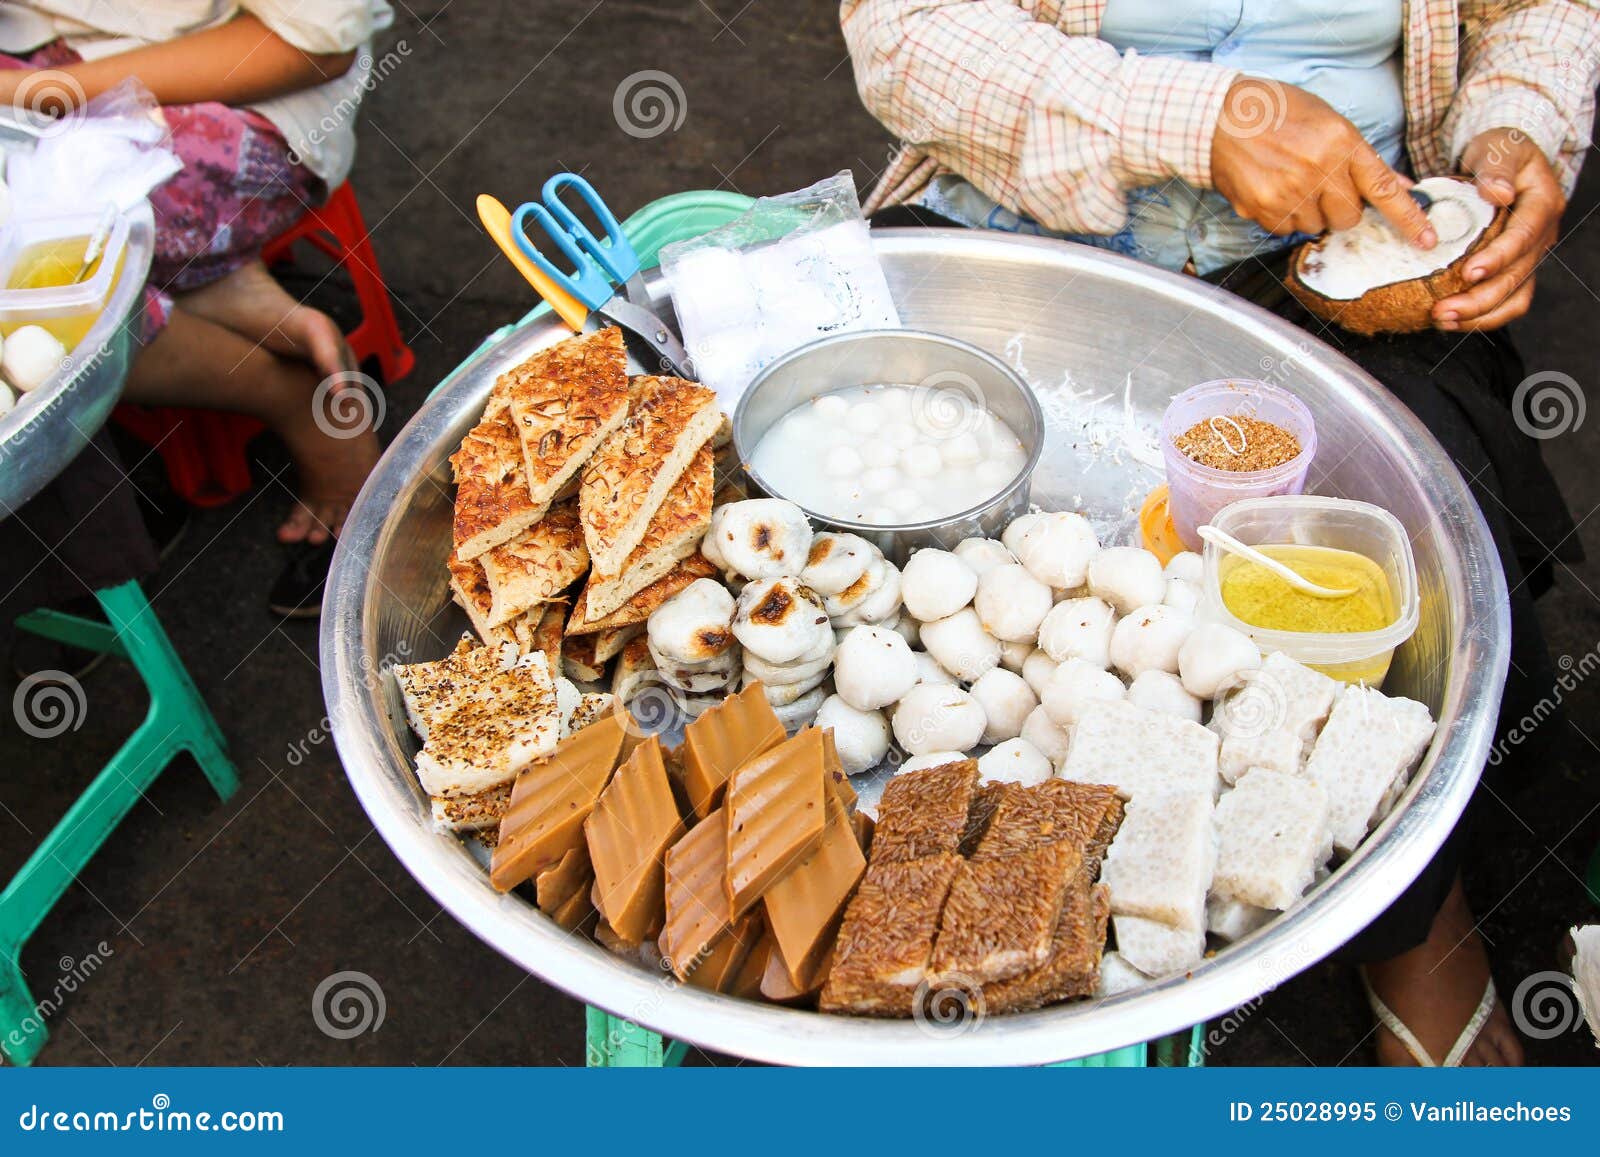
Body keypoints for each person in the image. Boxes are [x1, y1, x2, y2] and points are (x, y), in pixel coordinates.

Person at [844, 0, 1599, 1066]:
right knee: (869, 526)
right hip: (1019, 243)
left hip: (1341, 272)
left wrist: (1513, 123)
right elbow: (901, 34)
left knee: (1427, 586)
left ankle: (1412, 913)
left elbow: (1536, 14)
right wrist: (1191, 122)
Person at [0, 1, 395, 615]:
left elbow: (316, 42)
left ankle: (284, 394)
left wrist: (28, 94)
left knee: (36, 283)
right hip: (42, 69)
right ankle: (223, 283)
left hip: (235, 99)